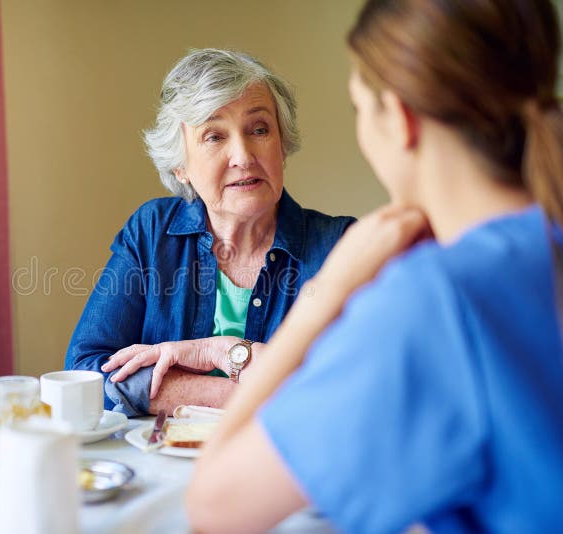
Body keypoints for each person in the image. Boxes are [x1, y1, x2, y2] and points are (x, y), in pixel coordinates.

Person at [186, 0, 563, 532]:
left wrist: (329, 289)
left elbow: (213, 505)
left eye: (360, 109)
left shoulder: (431, 300)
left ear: (400, 118)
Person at [65, 49, 355, 416]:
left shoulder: (341, 247)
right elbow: (84, 372)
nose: (244, 156)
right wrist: (241, 390)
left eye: (259, 129)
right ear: (180, 167)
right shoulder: (152, 232)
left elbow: (351, 391)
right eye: (214, 136)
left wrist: (219, 353)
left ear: (282, 144)